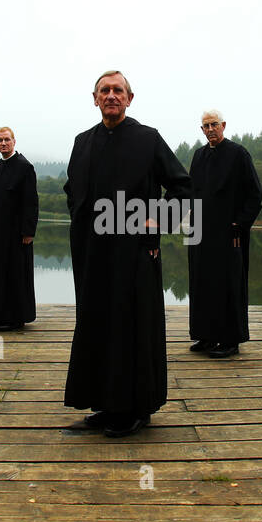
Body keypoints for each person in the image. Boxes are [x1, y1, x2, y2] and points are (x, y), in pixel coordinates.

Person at [63, 71, 193, 437]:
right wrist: (80, 220)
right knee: (98, 327)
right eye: (104, 90)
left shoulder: (147, 139)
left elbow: (183, 188)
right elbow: (72, 188)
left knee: (131, 328)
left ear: (129, 98)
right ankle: (104, 404)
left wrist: (154, 224)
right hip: (91, 256)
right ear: (94, 98)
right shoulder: (82, 142)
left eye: (118, 90)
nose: (111, 95)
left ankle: (136, 409)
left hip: (134, 254)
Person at [187, 110, 262, 358]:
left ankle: (231, 340)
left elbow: (255, 195)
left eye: (214, 124)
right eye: (206, 126)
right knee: (202, 283)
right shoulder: (199, 156)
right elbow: (191, 192)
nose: (210, 129)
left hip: (230, 234)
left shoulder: (238, 154)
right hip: (200, 233)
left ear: (224, 126)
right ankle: (207, 336)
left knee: (228, 285)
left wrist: (239, 224)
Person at [0, 126, 38, 330]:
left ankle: (15, 318)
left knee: (14, 273)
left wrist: (28, 231)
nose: (3, 143)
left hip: (16, 233)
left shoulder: (24, 166)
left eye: (6, 140)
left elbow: (31, 201)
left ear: (14, 141)